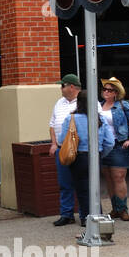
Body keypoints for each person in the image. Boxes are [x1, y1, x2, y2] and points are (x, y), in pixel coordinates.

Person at [63, 90, 114, 227]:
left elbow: (63, 140)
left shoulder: (71, 119)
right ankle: (99, 217)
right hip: (96, 155)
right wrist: (100, 153)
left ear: (78, 102)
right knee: (95, 188)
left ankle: (86, 218)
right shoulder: (100, 118)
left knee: (82, 189)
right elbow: (110, 142)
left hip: (79, 157)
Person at [98, 77, 129, 221]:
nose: (106, 92)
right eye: (105, 89)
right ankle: (115, 208)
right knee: (108, 177)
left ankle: (123, 209)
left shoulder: (123, 105)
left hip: (118, 144)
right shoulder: (99, 105)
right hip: (103, 146)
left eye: (110, 90)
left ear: (116, 92)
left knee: (118, 177)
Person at [48, 74, 81, 226]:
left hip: (80, 149)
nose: (60, 88)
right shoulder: (59, 103)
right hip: (62, 148)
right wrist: (54, 144)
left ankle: (86, 213)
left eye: (63, 85)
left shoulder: (85, 101)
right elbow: (52, 125)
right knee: (64, 182)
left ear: (72, 87)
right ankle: (66, 214)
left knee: (83, 181)